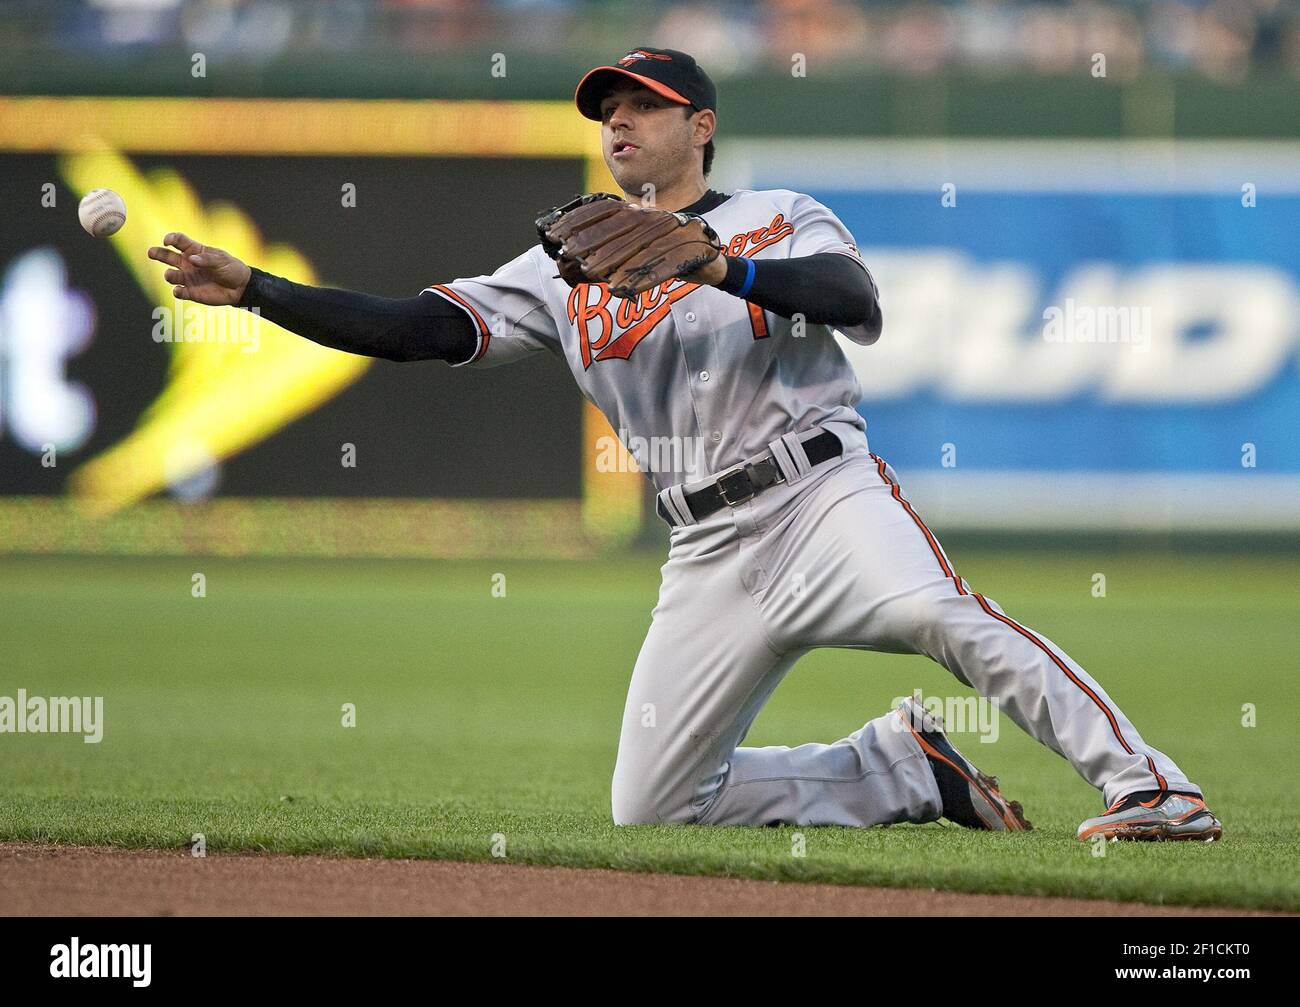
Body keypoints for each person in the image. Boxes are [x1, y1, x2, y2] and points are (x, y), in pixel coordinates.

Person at [148, 46, 1220, 842]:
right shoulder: (565, 264)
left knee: (929, 609)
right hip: (704, 549)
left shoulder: (773, 214)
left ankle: (1151, 783)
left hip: (819, 494)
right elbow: (418, 327)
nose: (618, 124)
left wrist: (718, 267)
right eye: (605, 111)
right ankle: (897, 772)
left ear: (698, 125)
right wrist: (255, 290)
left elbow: (848, 296)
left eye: (641, 107)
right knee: (653, 806)